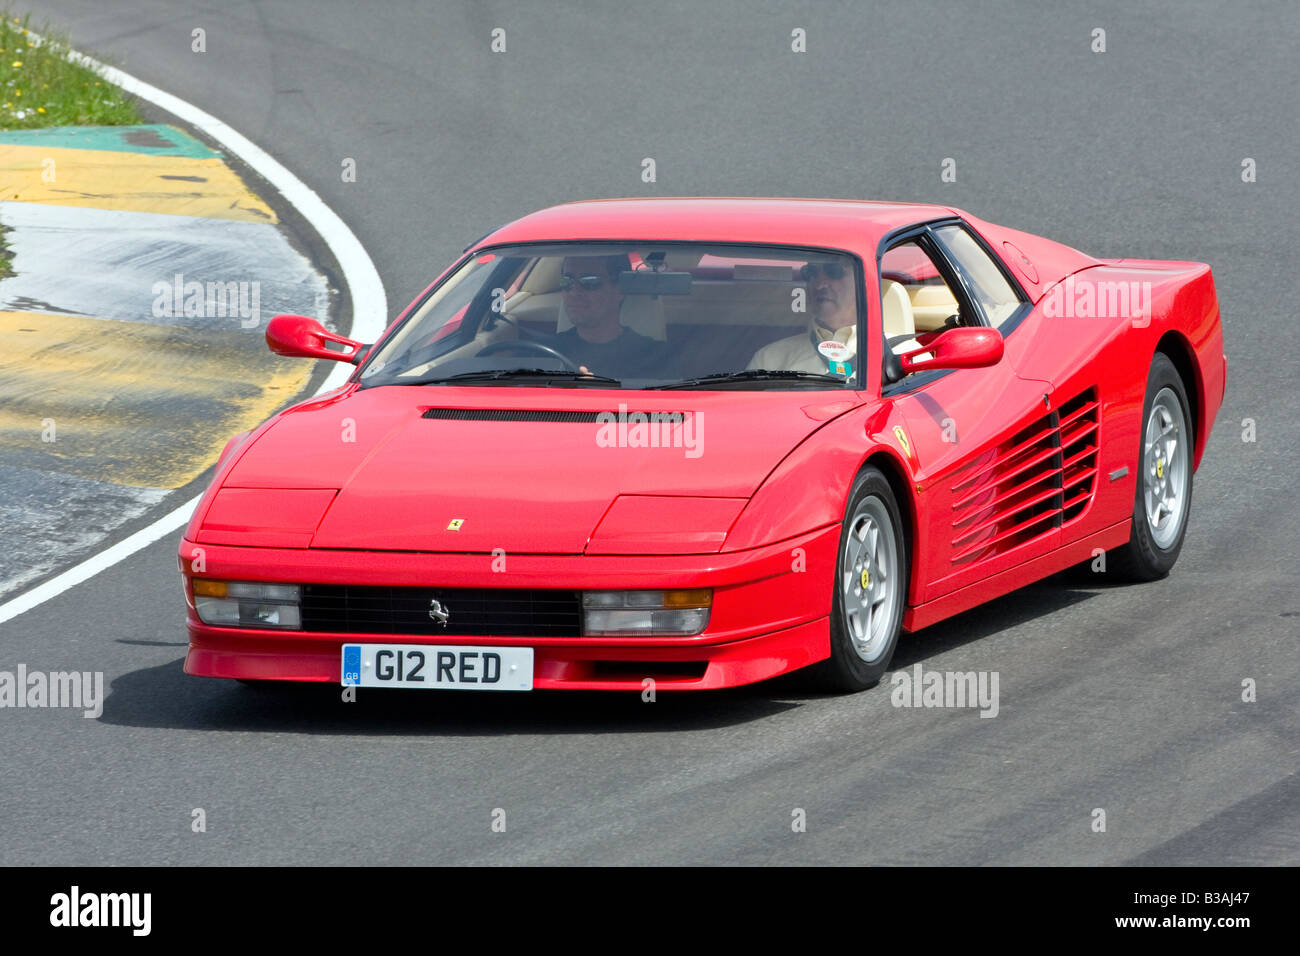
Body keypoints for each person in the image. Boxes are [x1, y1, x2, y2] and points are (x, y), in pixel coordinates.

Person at [549, 254, 669, 380]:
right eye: (567, 281)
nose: (573, 292)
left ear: (619, 290)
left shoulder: (654, 356)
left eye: (589, 282)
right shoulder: (549, 352)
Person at [747, 259, 857, 377]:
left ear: (864, 282)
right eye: (811, 273)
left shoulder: (879, 356)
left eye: (834, 271)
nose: (819, 285)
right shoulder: (769, 360)